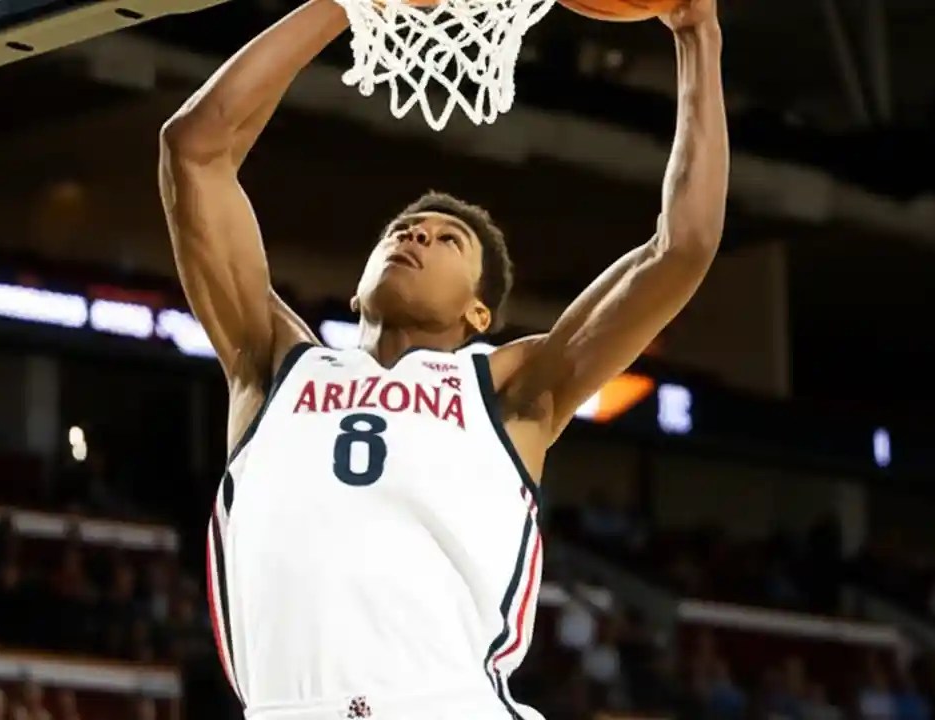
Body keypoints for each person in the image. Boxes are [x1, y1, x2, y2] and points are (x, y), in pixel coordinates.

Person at [158, 0, 728, 715]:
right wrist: (352, 5)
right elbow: (195, 148)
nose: (415, 238)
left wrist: (696, 34)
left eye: (444, 239)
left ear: (478, 313)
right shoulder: (272, 361)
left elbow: (683, 247)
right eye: (403, 229)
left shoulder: (510, 387)